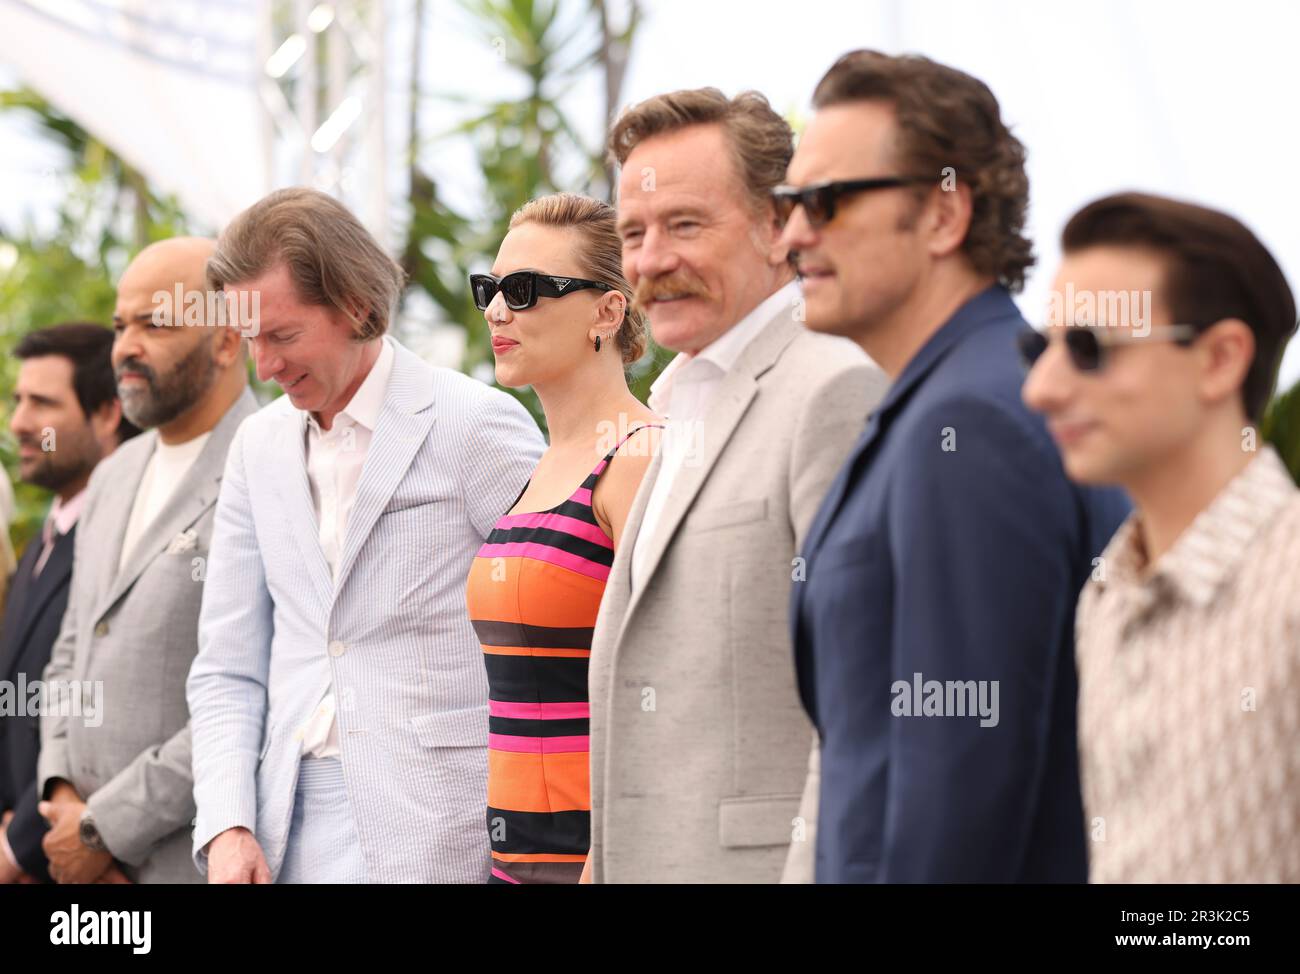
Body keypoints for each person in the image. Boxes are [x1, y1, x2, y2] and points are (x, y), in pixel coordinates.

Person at [780, 50, 1129, 883]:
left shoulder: (973, 419)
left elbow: (963, 795)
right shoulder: (961, 397)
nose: (793, 234)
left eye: (825, 202)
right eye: (788, 203)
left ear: (942, 214)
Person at [188, 188, 545, 883]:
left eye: (282, 335)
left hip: (445, 831)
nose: (262, 367)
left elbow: (551, 646)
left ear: (355, 303)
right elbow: (227, 666)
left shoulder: (475, 424)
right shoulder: (255, 447)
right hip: (280, 829)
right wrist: (228, 825)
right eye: (248, 338)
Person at [585, 88, 887, 883]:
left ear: (777, 227)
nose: (651, 260)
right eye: (634, 234)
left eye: (685, 224)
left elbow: (858, 706)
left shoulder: (833, 388)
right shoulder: (677, 399)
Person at [1020, 192, 1300, 882]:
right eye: (1040, 346)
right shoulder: (1106, 596)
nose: (1041, 388)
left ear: (1219, 360)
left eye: (1088, 347)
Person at [36, 239, 257, 884]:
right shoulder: (114, 473)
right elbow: (71, 647)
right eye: (118, 325)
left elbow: (253, 691)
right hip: (74, 857)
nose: (124, 347)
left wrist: (105, 829)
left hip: (180, 864)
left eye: (155, 323)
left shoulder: (268, 467)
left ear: (226, 340)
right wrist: (64, 799)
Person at [464, 193, 663, 884]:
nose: (496, 312)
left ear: (607, 313)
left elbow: (660, 698)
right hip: (511, 863)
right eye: (489, 289)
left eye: (524, 291)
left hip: (593, 864)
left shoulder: (639, 456)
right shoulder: (544, 464)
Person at [0, 323, 138, 884]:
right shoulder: (42, 540)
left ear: (107, 413)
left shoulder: (128, 542)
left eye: (42, 403)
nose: (19, 424)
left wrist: (17, 847)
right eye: (17, 401)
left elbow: (113, 711)